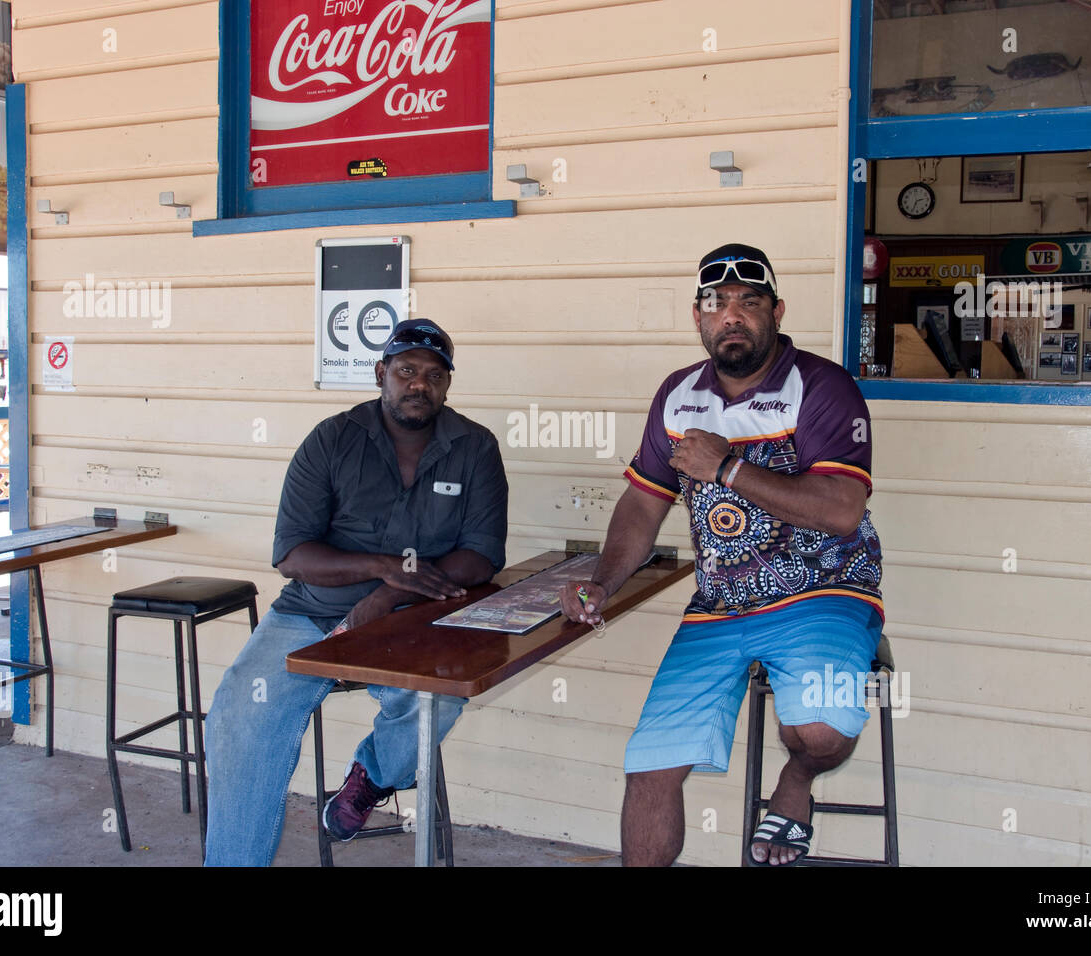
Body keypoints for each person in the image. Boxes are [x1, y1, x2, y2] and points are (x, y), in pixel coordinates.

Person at [559, 243, 884, 867]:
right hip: (721, 604)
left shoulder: (823, 385)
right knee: (651, 766)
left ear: (777, 311)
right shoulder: (677, 396)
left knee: (818, 731)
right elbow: (642, 505)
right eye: (717, 304)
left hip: (826, 592)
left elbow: (842, 509)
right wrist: (601, 582)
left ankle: (795, 782)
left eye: (748, 302)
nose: (731, 315)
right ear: (698, 317)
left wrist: (728, 468)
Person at [203, 319, 508, 866]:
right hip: (312, 613)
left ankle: (370, 776)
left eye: (434, 376)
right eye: (407, 370)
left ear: (447, 386)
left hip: (419, 617)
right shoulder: (332, 439)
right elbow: (292, 554)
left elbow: (483, 554)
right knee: (240, 713)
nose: (420, 385)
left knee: (438, 696)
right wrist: (382, 567)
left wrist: (389, 595)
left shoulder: (475, 447)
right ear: (380, 375)